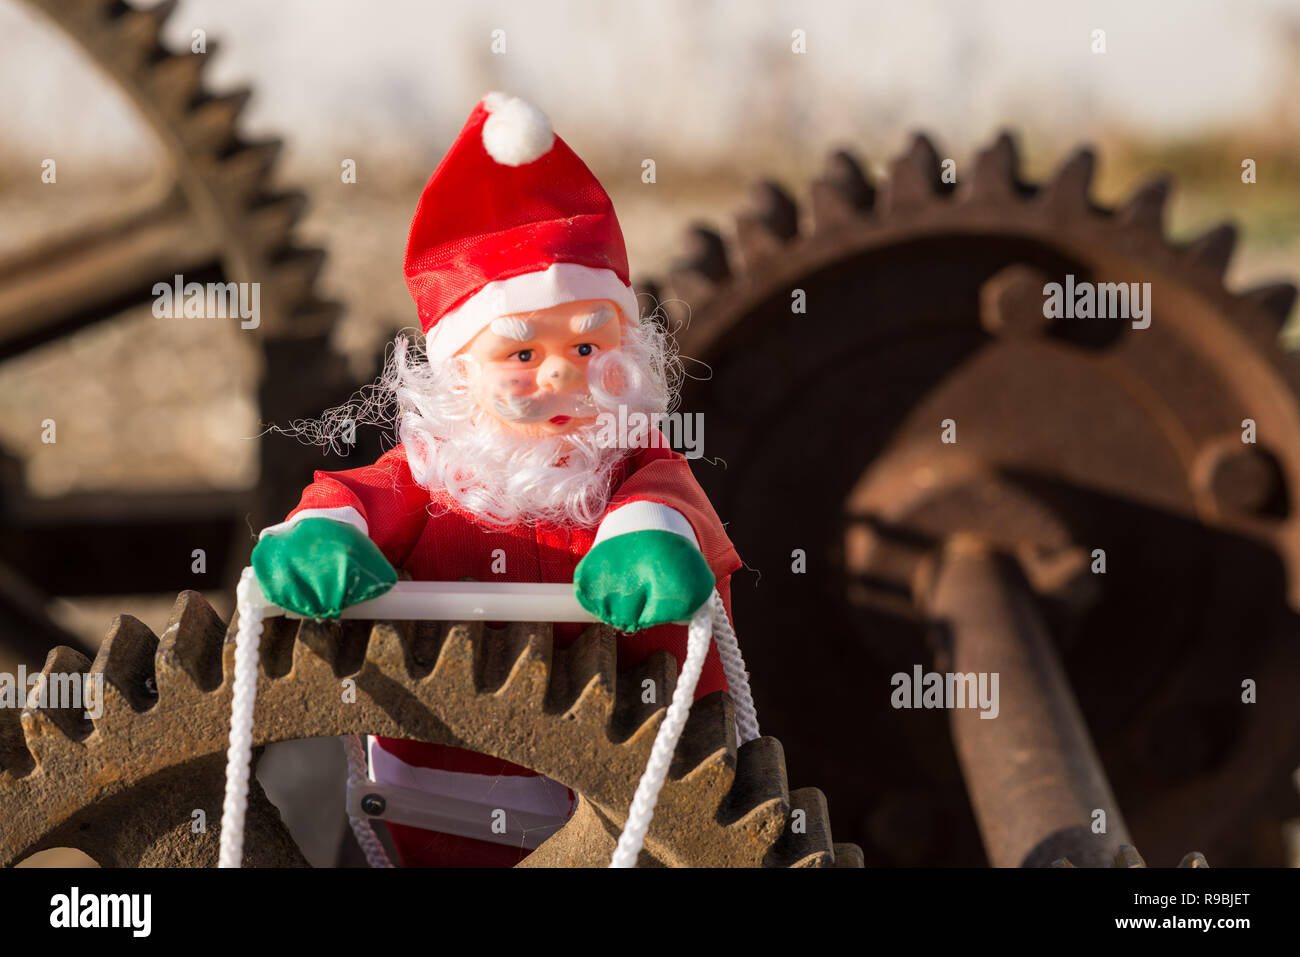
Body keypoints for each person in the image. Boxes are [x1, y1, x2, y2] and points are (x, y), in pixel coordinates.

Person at [251, 93, 743, 866]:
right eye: (520, 354)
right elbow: (363, 494)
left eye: (588, 347)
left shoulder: (632, 464)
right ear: (457, 374)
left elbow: (664, 498)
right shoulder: (436, 471)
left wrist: (647, 537)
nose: (560, 373)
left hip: (621, 800)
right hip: (427, 796)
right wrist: (324, 532)